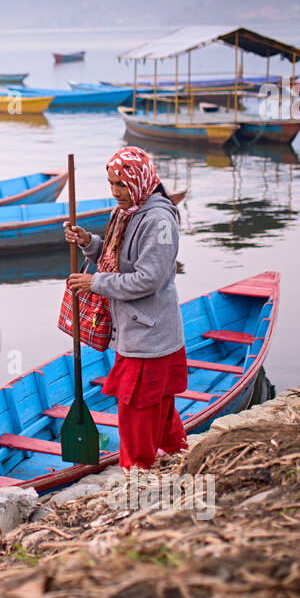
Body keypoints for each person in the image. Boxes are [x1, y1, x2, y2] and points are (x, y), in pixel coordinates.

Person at [63, 146, 187, 471]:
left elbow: (148, 279)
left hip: (150, 332)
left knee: (137, 407)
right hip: (132, 329)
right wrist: (87, 242)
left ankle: (136, 470)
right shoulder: (126, 212)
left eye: (121, 184)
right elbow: (114, 259)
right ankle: (178, 451)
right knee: (157, 401)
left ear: (140, 180)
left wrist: (95, 284)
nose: (115, 192)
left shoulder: (159, 221)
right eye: (111, 184)